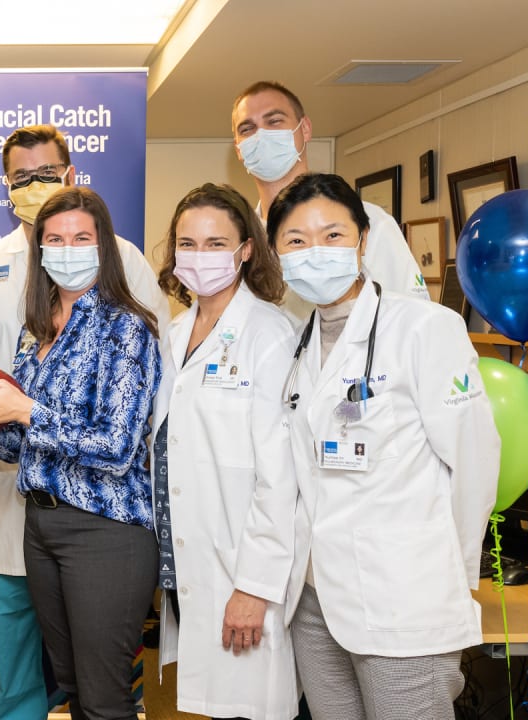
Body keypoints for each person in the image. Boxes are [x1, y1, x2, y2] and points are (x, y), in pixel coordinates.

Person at [268, 173, 498, 720]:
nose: (314, 252)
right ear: (277, 253)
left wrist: (451, 577)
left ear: (364, 240)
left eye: (332, 235)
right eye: (296, 240)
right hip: (314, 599)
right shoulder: (297, 342)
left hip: (404, 596)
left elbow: (474, 462)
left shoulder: (425, 328)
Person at [0, 123, 171, 720]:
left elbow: (116, 444)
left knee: (106, 695)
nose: (65, 248)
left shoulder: (127, 326)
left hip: (107, 527)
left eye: (80, 237)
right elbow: (17, 436)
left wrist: (24, 411)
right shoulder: (38, 336)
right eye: (54, 239)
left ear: (102, 245)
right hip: (41, 526)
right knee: (72, 682)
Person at [151, 183, 299, 720]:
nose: (199, 256)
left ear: (246, 251)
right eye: (187, 244)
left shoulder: (271, 335)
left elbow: (281, 480)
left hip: (241, 571)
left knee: (249, 707)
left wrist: (254, 589)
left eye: (216, 244)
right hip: (188, 563)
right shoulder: (174, 333)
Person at [231, 81, 429, 317]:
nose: (261, 136)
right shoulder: (239, 239)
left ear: (304, 129)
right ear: (238, 150)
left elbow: (415, 316)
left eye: (274, 121)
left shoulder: (368, 221)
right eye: (247, 129)